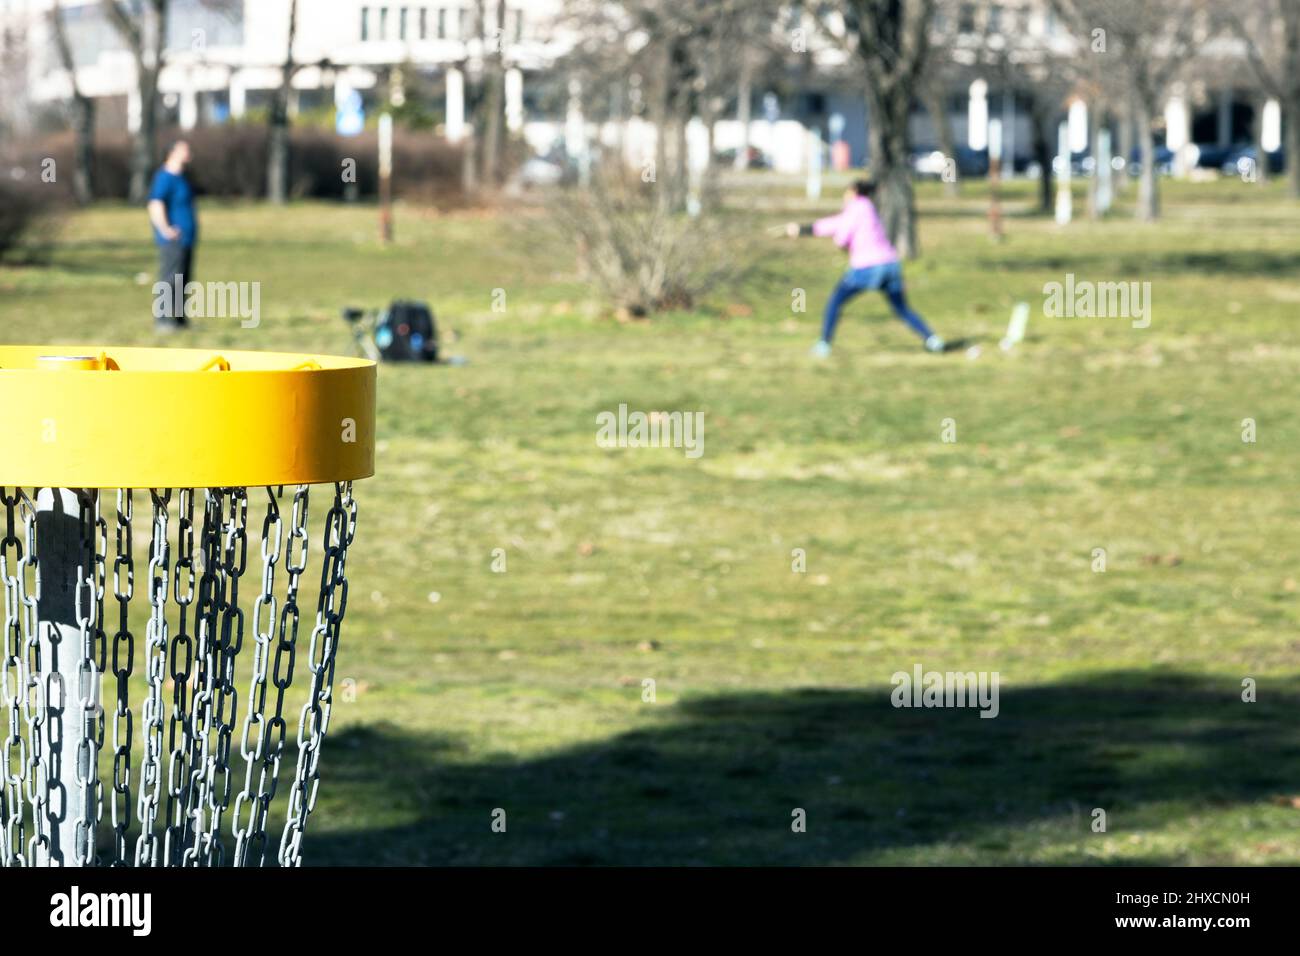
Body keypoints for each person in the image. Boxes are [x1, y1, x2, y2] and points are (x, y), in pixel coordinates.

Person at [786, 179, 945, 358]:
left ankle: (824, 344)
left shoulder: (856, 209)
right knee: (901, 308)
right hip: (890, 265)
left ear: (854, 192)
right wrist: (803, 229)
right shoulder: (868, 209)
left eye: (847, 192)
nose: (845, 196)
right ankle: (933, 339)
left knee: (835, 302)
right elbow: (834, 223)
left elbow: (841, 235)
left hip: (867, 267)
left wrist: (835, 241)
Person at [147, 140, 198, 331]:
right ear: (172, 153)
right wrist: (165, 228)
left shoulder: (182, 177)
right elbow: (155, 204)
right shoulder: (164, 177)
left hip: (186, 239)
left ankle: (178, 320)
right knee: (169, 278)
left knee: (183, 280)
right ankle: (163, 321)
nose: (189, 152)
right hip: (172, 240)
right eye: (185, 149)